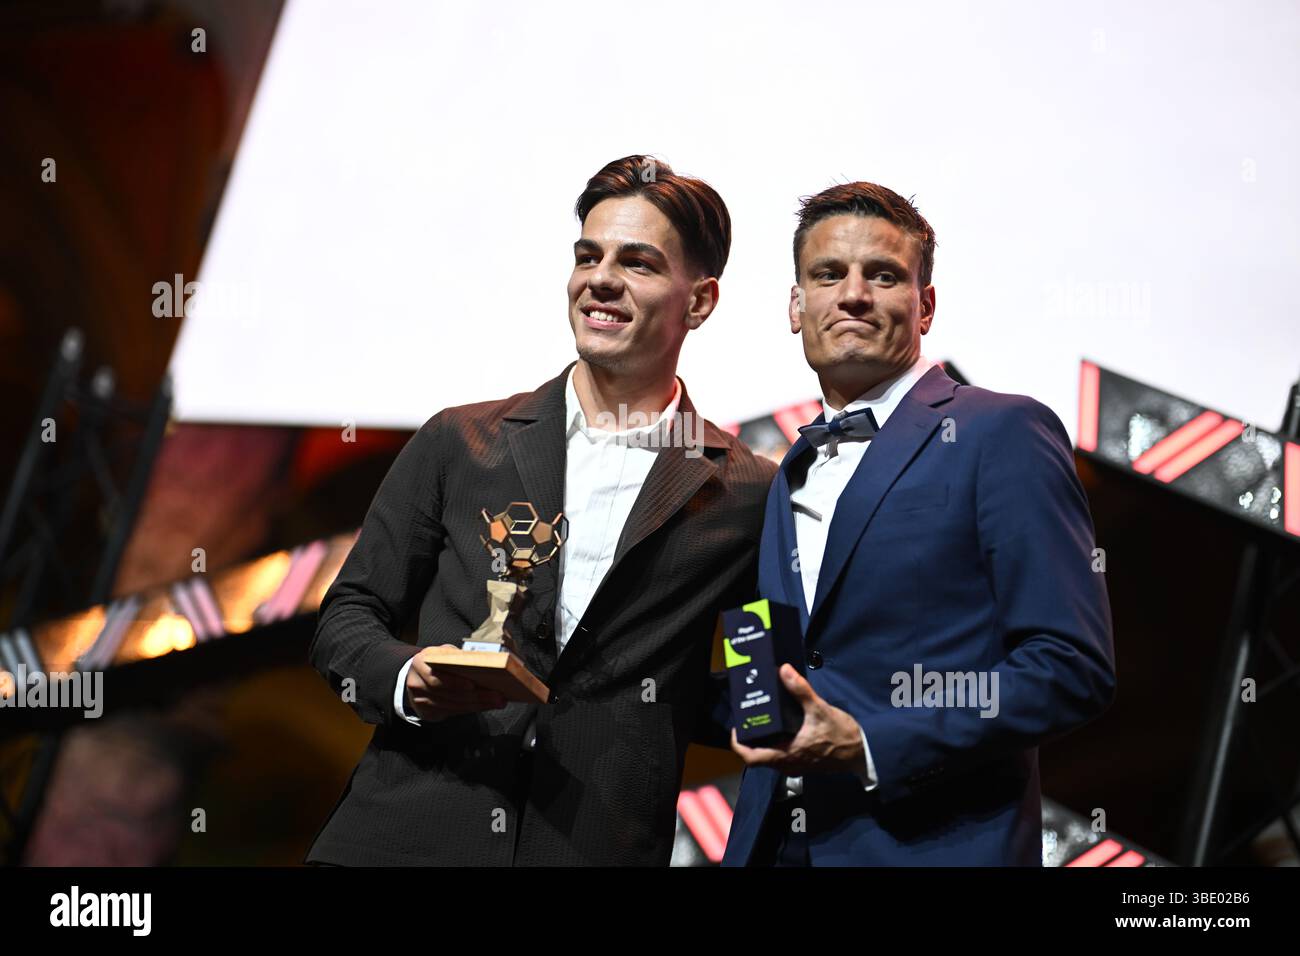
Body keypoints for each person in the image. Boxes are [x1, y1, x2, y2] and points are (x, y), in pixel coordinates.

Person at [305, 155, 775, 866]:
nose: (601, 279)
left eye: (639, 263)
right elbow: (347, 618)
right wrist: (409, 677)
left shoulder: (746, 493)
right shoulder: (461, 442)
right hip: (401, 835)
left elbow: (757, 680)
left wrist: (656, 716)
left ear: (700, 301)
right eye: (588, 256)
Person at [722, 182, 1116, 866]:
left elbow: (1070, 668)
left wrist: (872, 741)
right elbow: (783, 664)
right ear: (796, 305)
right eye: (827, 275)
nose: (852, 295)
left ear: (925, 304)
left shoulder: (1001, 430)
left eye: (882, 275)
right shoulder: (788, 471)